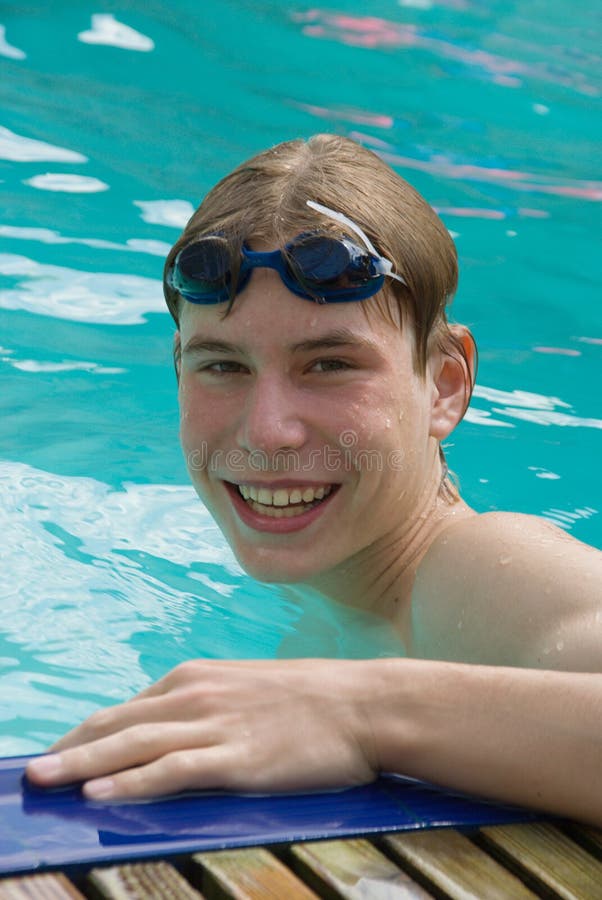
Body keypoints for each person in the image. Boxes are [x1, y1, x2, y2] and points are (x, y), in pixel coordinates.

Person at [26, 134, 602, 825]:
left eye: (329, 364)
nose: (268, 431)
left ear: (444, 385)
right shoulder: (332, 593)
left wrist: (362, 713)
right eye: (223, 366)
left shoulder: (479, 569)